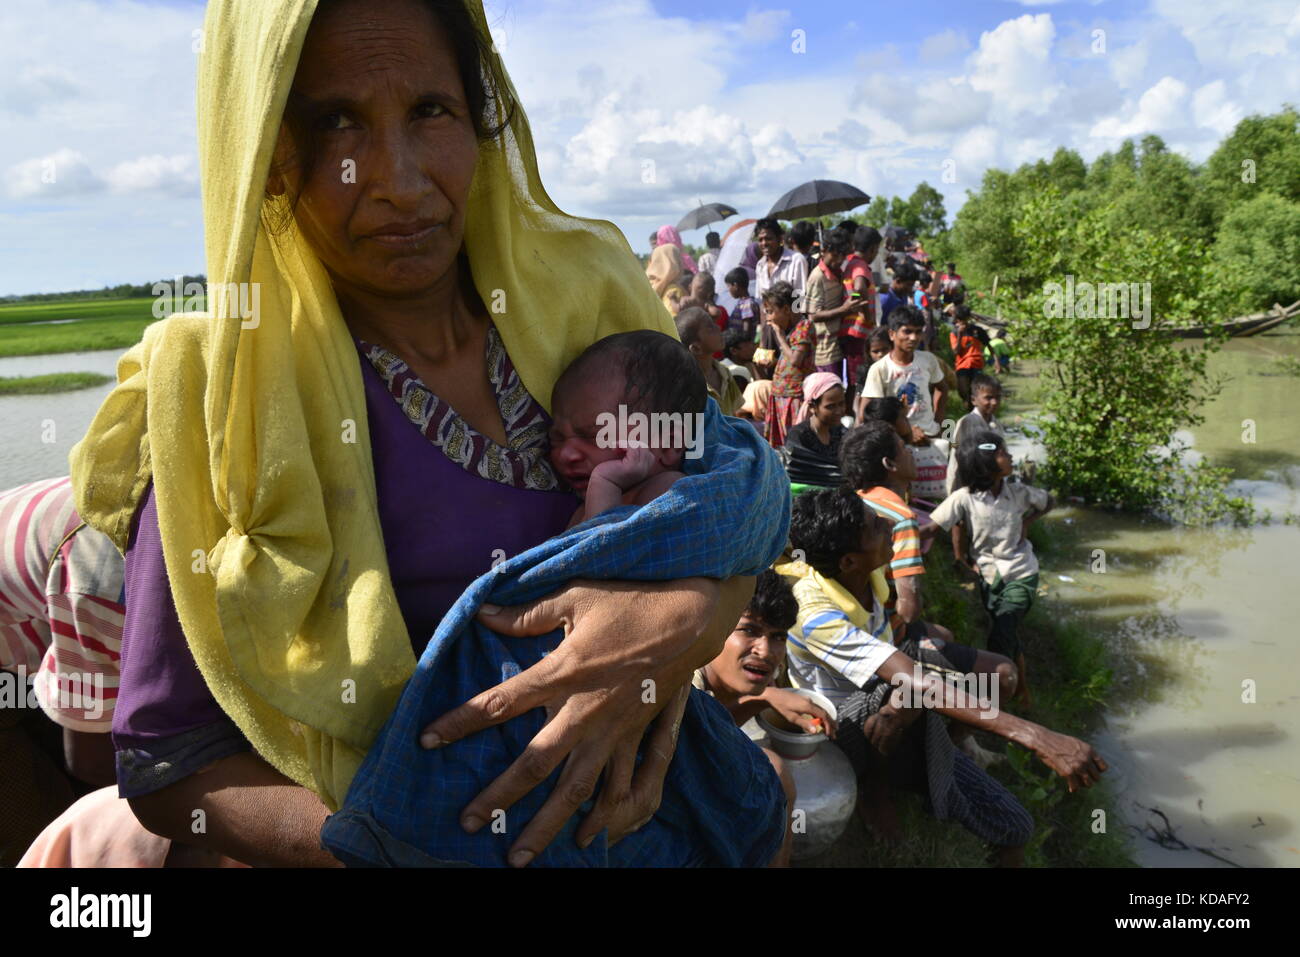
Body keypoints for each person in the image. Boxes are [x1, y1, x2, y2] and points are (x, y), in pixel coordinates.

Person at [69, 0, 787, 869]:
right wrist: (398, 851)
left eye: (430, 111)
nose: (400, 180)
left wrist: (691, 623)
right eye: (336, 121)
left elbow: (729, 500)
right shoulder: (222, 395)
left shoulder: (588, 305)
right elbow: (169, 757)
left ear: (480, 120)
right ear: (265, 152)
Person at [781, 486, 1106, 863]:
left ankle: (928, 757)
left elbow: (898, 645)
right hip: (843, 722)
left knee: (1016, 825)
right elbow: (912, 679)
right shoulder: (815, 612)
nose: (888, 524)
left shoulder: (859, 572)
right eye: (875, 525)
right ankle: (877, 786)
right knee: (903, 693)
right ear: (850, 561)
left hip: (891, 687)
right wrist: (1036, 737)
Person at [0, 477, 124, 865]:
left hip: (30, 637)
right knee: (39, 825)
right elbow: (89, 759)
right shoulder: (106, 575)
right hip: (17, 659)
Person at [692, 569, 836, 867]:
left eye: (778, 636)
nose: (766, 650)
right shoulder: (684, 685)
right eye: (748, 630)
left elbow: (715, 729)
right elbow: (694, 745)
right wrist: (764, 698)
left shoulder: (762, 678)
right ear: (714, 625)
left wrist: (763, 698)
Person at [930, 432, 1054, 706]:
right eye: (1002, 453)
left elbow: (1049, 501)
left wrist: (1027, 522)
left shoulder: (1019, 493)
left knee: (1002, 628)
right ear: (986, 463)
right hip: (988, 574)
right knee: (1006, 628)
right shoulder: (964, 498)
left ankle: (993, 698)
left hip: (1022, 572)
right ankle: (1022, 687)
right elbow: (932, 526)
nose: (1010, 457)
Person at [548, 331, 703, 525]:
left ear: (669, 444)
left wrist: (606, 484)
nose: (566, 454)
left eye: (594, 436)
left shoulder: (669, 490)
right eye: (557, 438)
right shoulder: (587, 503)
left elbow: (604, 550)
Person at [862, 305, 949, 443]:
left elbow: (942, 388)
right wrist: (905, 433)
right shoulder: (880, 369)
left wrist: (938, 422)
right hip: (898, 440)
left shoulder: (928, 360)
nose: (913, 338)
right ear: (892, 334)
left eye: (918, 332)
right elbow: (868, 412)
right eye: (907, 332)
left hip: (930, 434)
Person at [762, 281, 815, 448]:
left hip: (794, 397)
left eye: (771, 312)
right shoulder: (791, 330)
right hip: (780, 395)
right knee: (781, 446)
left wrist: (778, 335)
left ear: (786, 309)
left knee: (794, 442)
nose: (769, 318)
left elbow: (795, 360)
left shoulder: (804, 327)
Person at [804, 230, 859, 382]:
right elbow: (813, 315)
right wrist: (844, 310)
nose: (839, 260)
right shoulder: (817, 277)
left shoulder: (839, 272)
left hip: (838, 344)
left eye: (842, 256)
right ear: (823, 251)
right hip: (824, 350)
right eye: (834, 255)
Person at [676, 306, 743, 416]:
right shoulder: (688, 386)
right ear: (696, 348)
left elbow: (735, 415)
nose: (718, 328)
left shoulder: (724, 373)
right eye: (710, 328)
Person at [946, 373, 1005, 497]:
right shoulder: (967, 423)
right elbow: (961, 456)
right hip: (970, 486)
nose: (994, 402)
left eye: (997, 397)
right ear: (973, 400)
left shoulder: (996, 424)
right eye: (988, 398)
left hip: (991, 483)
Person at [840, 226, 880, 394]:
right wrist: (866, 314)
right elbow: (859, 287)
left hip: (849, 329)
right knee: (858, 378)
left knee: (852, 376)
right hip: (858, 329)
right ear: (872, 249)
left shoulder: (849, 262)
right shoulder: (860, 266)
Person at [754, 219, 808, 303]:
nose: (764, 243)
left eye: (768, 238)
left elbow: (800, 297)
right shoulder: (760, 265)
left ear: (779, 239)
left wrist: (792, 315)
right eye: (760, 240)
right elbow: (759, 299)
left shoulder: (796, 260)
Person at [949, 306, 990, 408]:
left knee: (976, 390)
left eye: (964, 319)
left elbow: (988, 344)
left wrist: (996, 361)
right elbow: (956, 351)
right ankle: (968, 405)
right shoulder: (954, 333)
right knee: (963, 391)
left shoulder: (977, 330)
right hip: (962, 365)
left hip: (976, 363)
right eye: (960, 319)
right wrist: (960, 335)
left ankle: (977, 411)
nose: (962, 322)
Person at [852, 326, 895, 423]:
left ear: (892, 347)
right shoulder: (864, 370)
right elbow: (858, 396)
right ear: (868, 353)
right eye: (875, 351)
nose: (880, 354)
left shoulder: (897, 369)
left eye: (885, 349)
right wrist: (858, 418)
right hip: (872, 414)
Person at [725, 266, 761, 344]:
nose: (728, 290)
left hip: (743, 347)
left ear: (735, 286)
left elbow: (746, 331)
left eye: (729, 286)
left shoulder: (746, 305)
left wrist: (740, 343)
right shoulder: (743, 302)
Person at [878, 259, 917, 326]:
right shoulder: (885, 299)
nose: (910, 289)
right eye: (908, 285)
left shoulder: (903, 296)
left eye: (912, 285)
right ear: (898, 281)